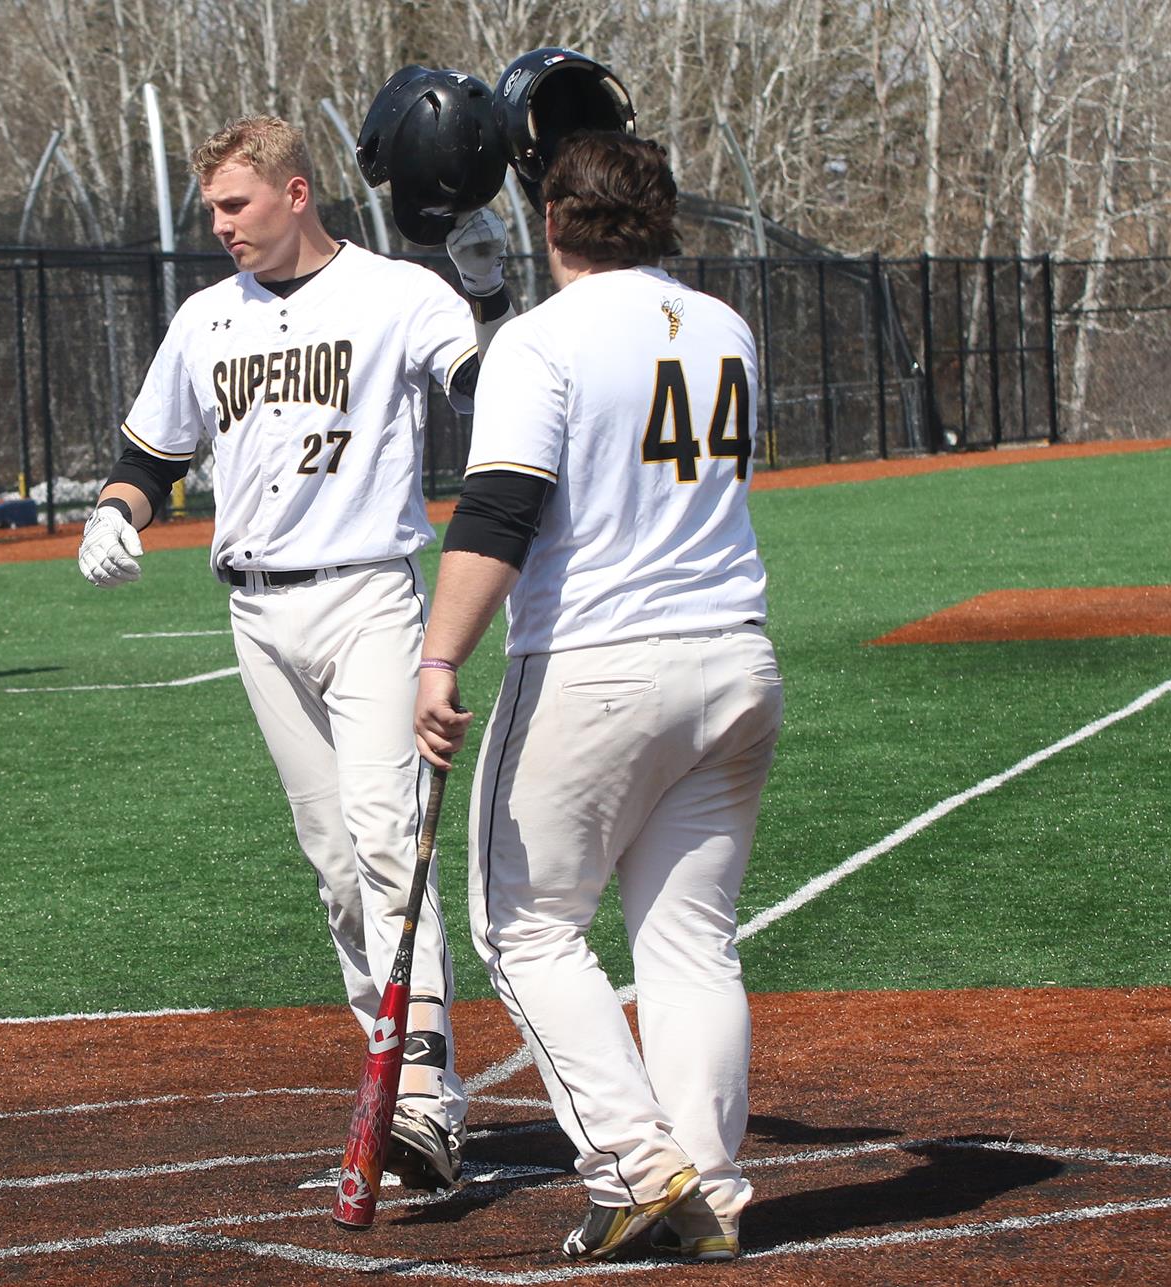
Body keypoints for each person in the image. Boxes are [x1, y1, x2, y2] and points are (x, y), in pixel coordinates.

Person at [74, 115, 514, 1190]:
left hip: (367, 596)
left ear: (297, 192)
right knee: (331, 867)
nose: (220, 225)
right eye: (212, 209)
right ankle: (389, 1067)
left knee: (380, 839)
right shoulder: (204, 318)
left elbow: (492, 398)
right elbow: (152, 451)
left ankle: (422, 1094)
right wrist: (114, 508)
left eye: (236, 204)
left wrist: (493, 300)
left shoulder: (397, 295)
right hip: (257, 618)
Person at [412, 131, 783, 1262]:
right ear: (660, 219)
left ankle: (629, 1162)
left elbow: (497, 513)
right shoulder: (723, 325)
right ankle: (708, 1190)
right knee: (688, 945)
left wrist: (435, 659)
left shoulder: (540, 339)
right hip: (734, 654)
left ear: (551, 222)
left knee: (523, 925)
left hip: (598, 660)